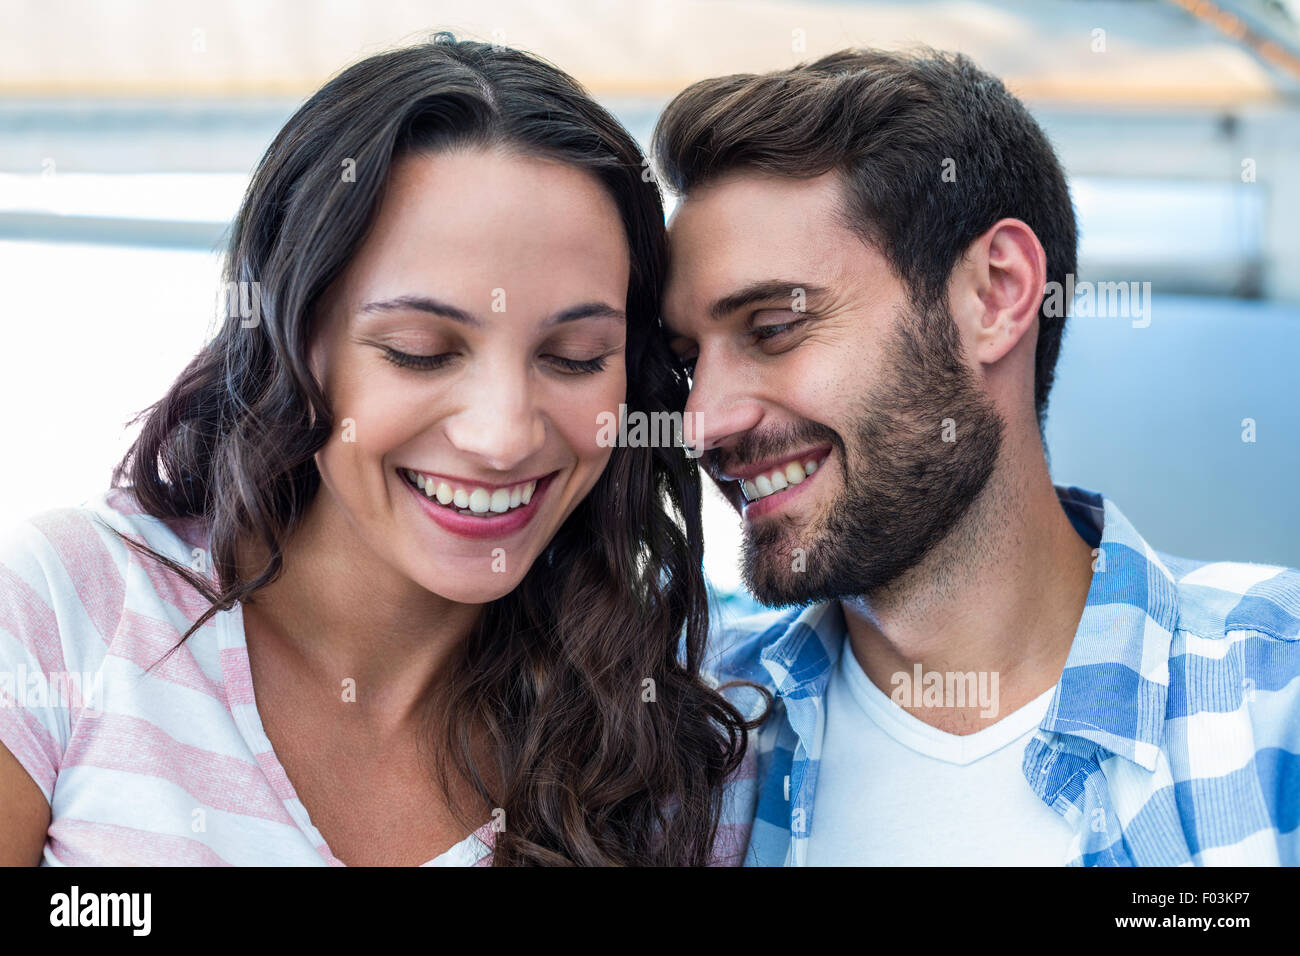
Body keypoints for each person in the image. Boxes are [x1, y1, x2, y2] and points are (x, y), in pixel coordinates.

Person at [0, 34, 752, 867]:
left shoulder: (680, 759)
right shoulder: (61, 609)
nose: (503, 437)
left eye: (574, 358)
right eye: (420, 350)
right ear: (296, 340)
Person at [653, 48, 1300, 866]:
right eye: (685, 361)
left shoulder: (1273, 695)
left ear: (995, 294)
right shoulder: (680, 738)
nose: (702, 421)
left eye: (773, 329)